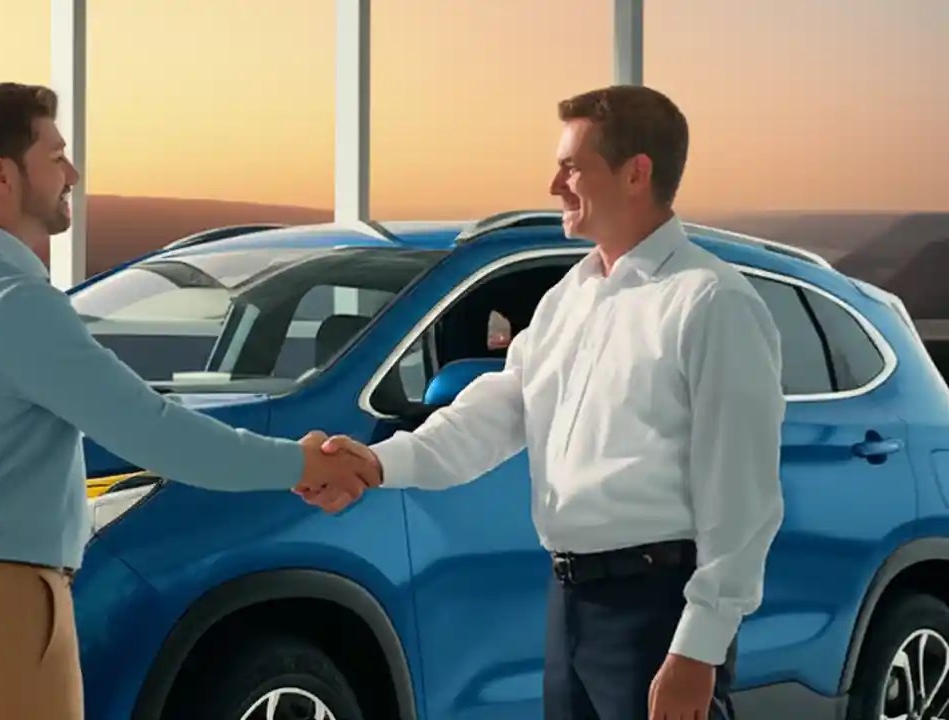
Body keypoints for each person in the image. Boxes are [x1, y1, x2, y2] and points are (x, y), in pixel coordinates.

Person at [0, 82, 378, 720]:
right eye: (55, 156)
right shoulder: (9, 297)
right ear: (0, 175)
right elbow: (157, 434)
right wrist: (304, 465)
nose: (73, 174)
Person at [296, 85, 785, 720]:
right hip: (570, 605)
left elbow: (743, 500)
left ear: (637, 173)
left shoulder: (710, 303)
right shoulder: (566, 301)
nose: (555, 183)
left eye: (573, 166)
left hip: (656, 609)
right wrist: (376, 463)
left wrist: (699, 649)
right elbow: (489, 418)